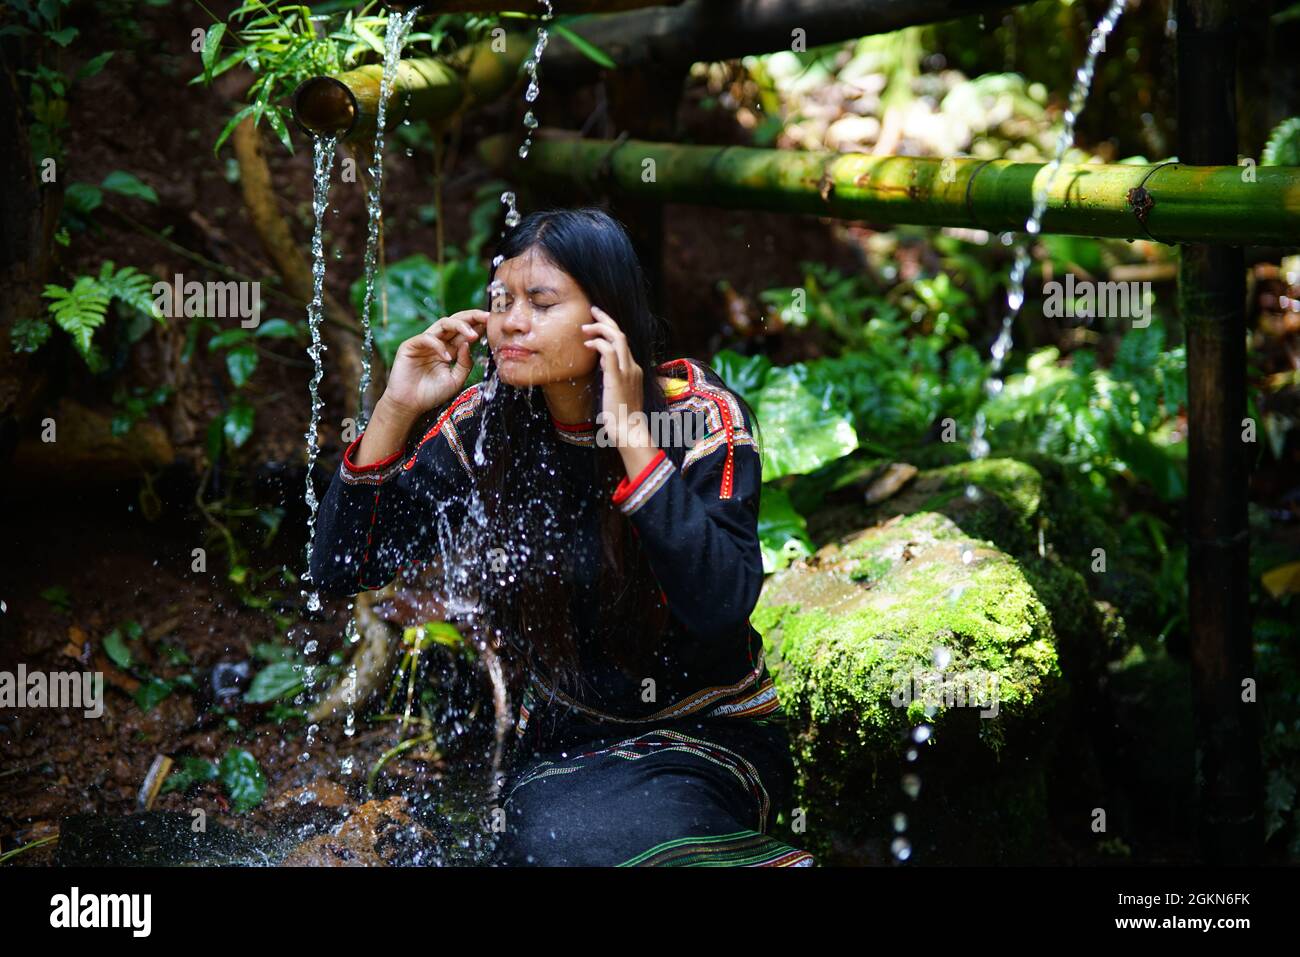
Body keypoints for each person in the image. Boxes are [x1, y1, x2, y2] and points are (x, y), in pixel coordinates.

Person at [309, 207, 814, 867]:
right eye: (501, 301)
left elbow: (719, 603)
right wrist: (398, 406)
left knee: (576, 842)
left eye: (540, 303)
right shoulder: (486, 424)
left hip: (707, 737)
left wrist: (633, 438)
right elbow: (343, 567)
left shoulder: (697, 417)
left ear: (608, 317)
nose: (511, 321)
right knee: (544, 840)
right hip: (560, 747)